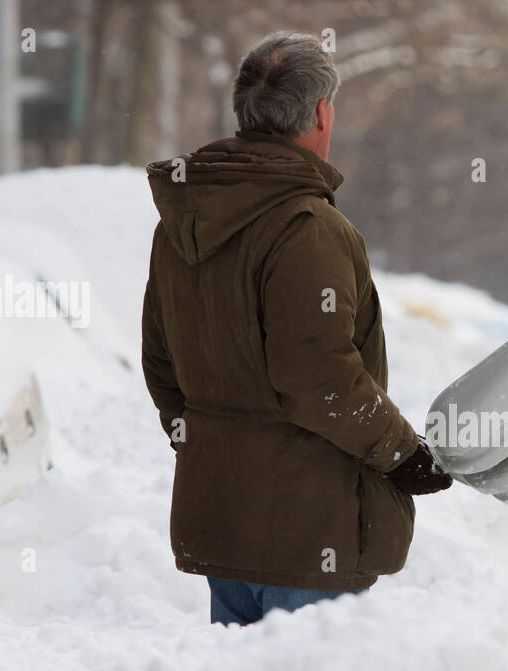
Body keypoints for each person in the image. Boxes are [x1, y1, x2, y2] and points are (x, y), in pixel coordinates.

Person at [141, 31, 451, 626]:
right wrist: (405, 454)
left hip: (222, 520)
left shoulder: (185, 221)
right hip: (309, 535)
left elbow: (162, 362)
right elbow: (318, 377)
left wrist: (209, 442)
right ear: (320, 114)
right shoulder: (306, 226)